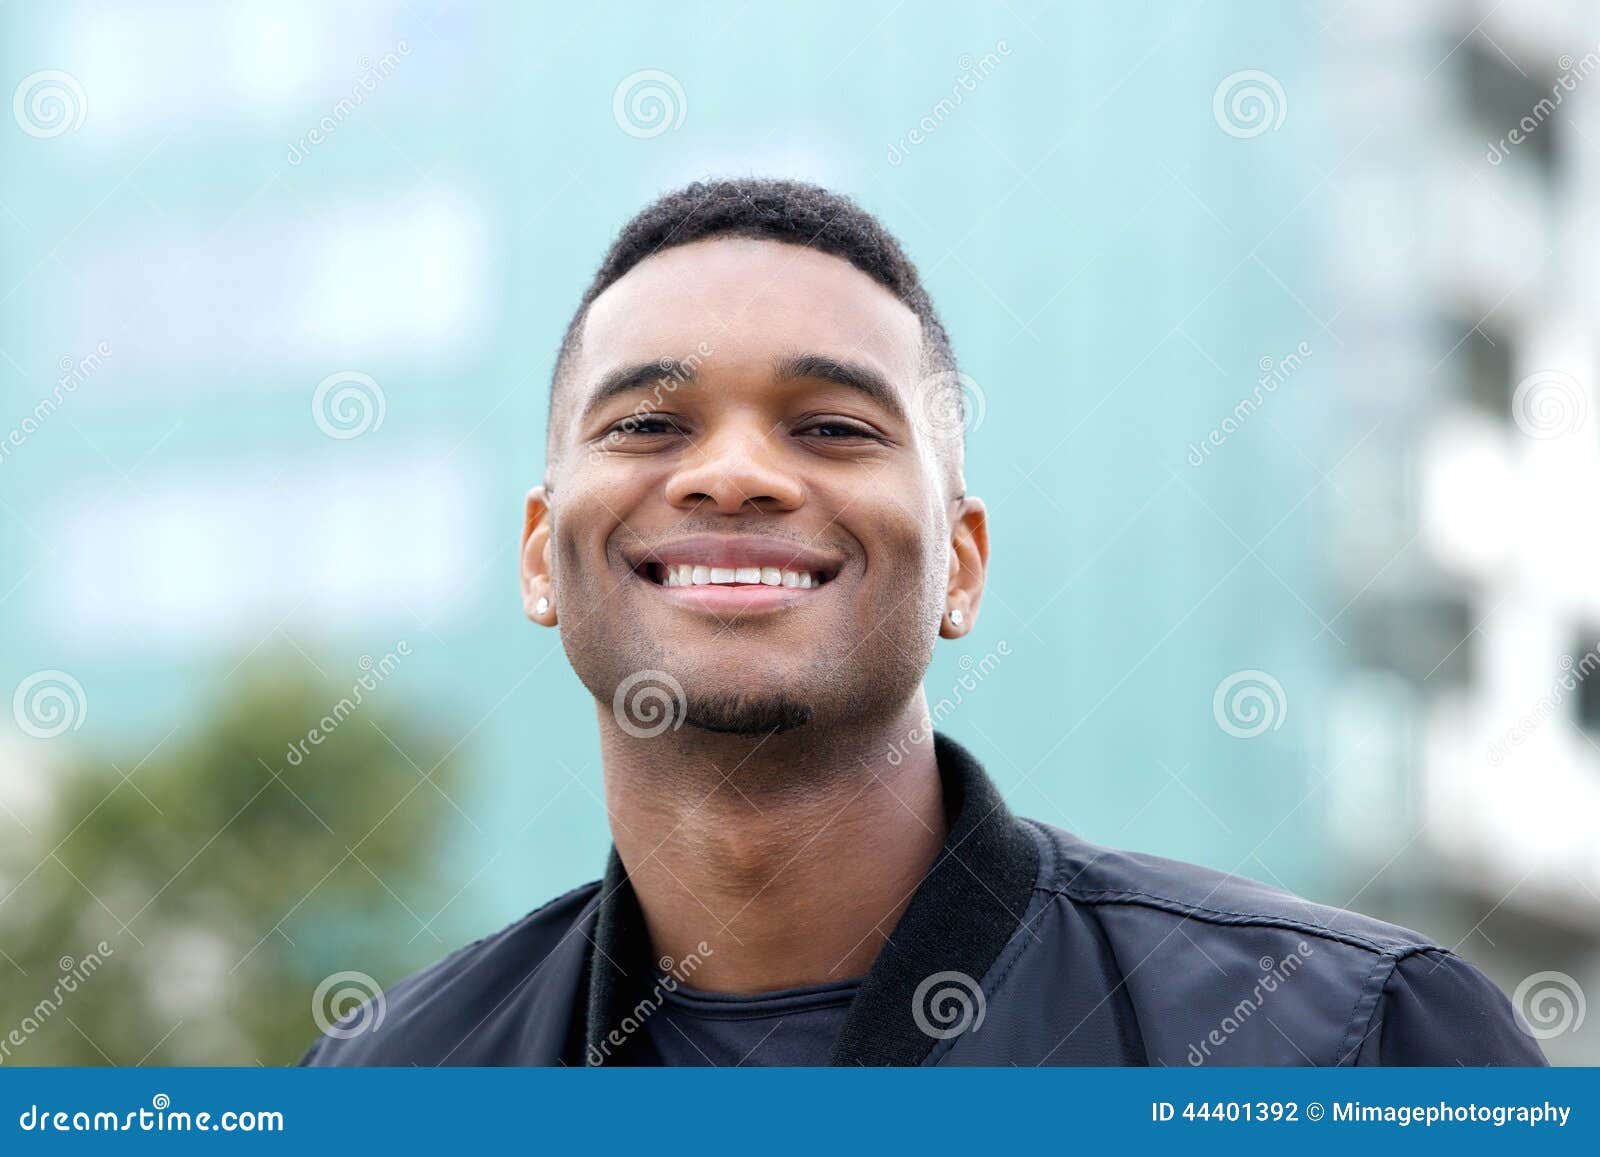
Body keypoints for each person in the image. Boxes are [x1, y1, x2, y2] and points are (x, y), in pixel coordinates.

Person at [301, 178, 1544, 1066]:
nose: (734, 475)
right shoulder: (387, 1077)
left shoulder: (1349, 1042)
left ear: (959, 564)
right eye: (647, 425)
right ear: (539, 557)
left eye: (833, 427)